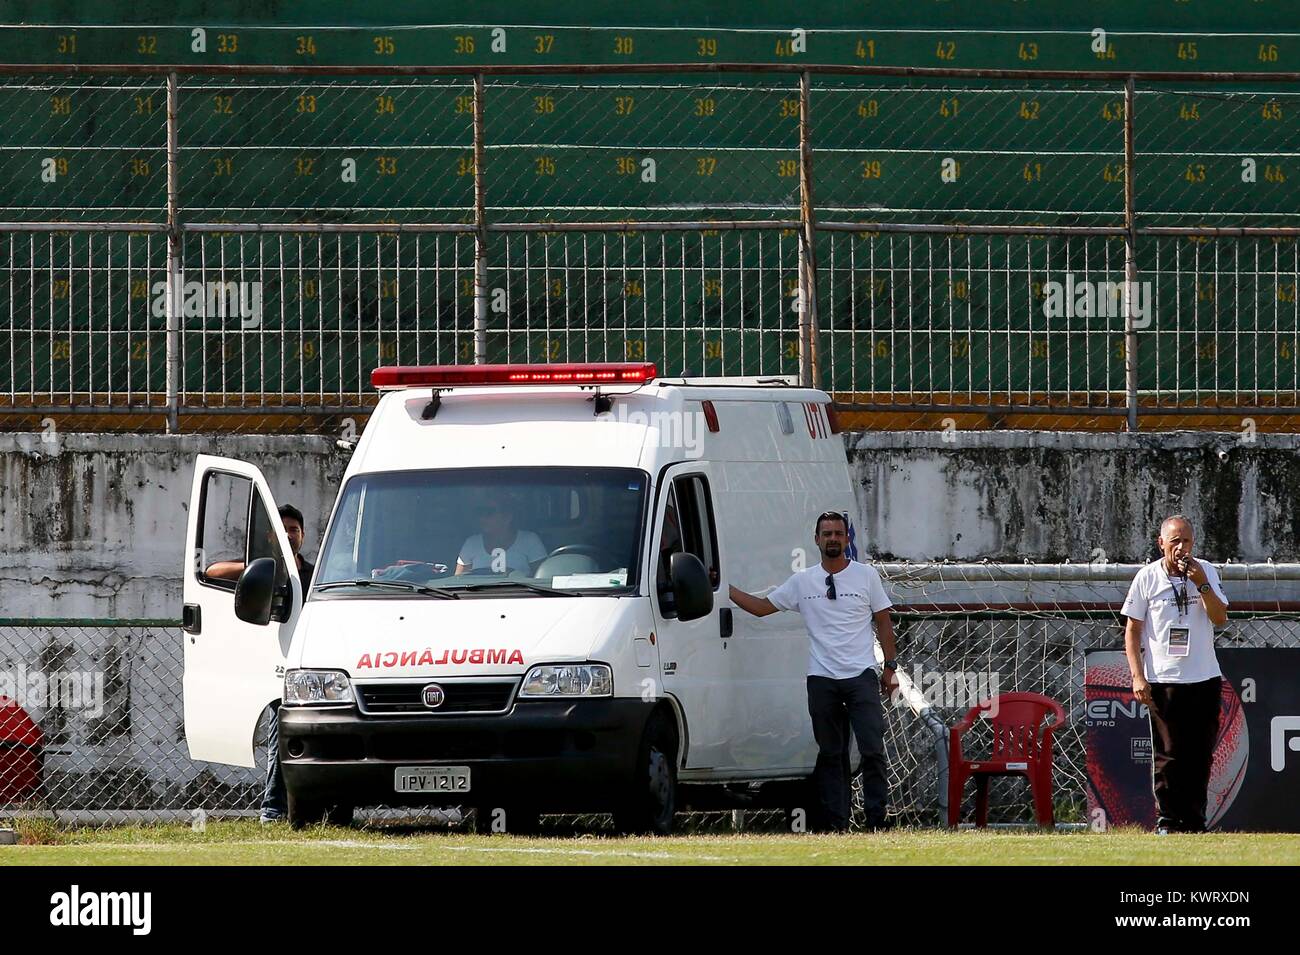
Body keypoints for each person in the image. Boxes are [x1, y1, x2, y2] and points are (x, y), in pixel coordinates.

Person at [728, 510, 899, 832]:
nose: (832, 539)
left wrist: (889, 668)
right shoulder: (802, 581)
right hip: (822, 679)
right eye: (827, 534)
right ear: (816, 540)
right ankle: (837, 823)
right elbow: (763, 608)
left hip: (861, 675)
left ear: (847, 539)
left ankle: (877, 821)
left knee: (872, 749)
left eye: (838, 533)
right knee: (831, 754)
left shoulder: (866, 576)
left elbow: (884, 621)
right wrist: (725, 588)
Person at [204, 504, 314, 824]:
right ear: (270, 535)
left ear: (303, 535)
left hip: (314, 667)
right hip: (276, 667)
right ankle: (273, 809)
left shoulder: (315, 573)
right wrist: (253, 568)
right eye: (282, 529)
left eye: (294, 529)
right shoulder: (263, 571)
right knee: (280, 733)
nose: (289, 535)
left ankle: (306, 808)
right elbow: (212, 572)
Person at [1121, 514, 1229, 835]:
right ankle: (1168, 821)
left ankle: (1195, 822)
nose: (1182, 548)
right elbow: (1132, 631)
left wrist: (1202, 585)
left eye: (1187, 542)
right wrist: (1137, 676)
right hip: (1164, 680)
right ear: (1161, 544)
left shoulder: (1205, 570)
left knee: (1200, 754)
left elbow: (1220, 617)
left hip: (1205, 678)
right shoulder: (1147, 577)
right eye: (1175, 542)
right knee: (1168, 756)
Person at [455, 499, 547, 576]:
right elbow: (458, 581)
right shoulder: (471, 543)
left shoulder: (529, 540)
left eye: (488, 512)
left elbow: (542, 579)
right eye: (480, 512)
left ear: (507, 517)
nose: (482, 518)